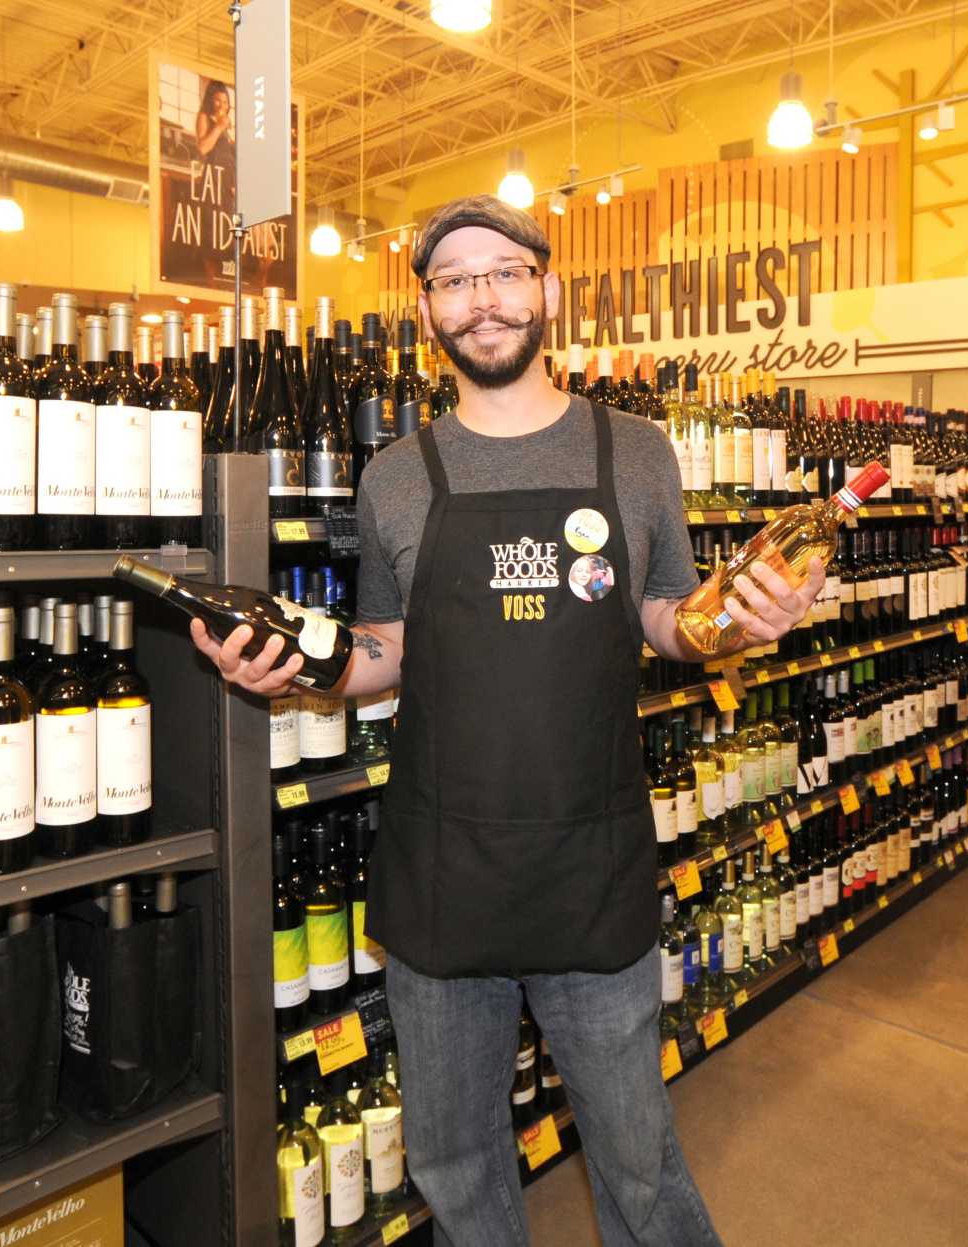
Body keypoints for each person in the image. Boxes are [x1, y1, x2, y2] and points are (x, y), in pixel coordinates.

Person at [192, 194, 822, 1247]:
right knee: (453, 1164)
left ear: (547, 289)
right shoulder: (395, 474)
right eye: (453, 280)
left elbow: (667, 621)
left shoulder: (637, 452)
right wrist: (291, 674)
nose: (481, 299)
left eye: (503, 272)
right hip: (443, 873)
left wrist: (739, 625)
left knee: (637, 1158)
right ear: (427, 311)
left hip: (592, 862)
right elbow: (387, 651)